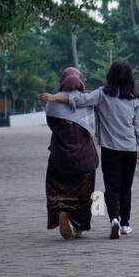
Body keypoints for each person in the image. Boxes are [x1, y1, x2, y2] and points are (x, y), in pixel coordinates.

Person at [41, 61, 139, 238]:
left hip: (110, 149)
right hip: (129, 149)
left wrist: (54, 98)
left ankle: (114, 218)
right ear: (130, 78)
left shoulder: (101, 94)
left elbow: (79, 100)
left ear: (110, 77)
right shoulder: (134, 99)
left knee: (112, 187)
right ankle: (125, 224)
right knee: (126, 187)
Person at [40, 67, 98, 239]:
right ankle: (77, 225)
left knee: (56, 184)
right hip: (84, 157)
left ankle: (62, 209)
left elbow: (52, 126)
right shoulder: (87, 104)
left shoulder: (51, 105)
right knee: (84, 193)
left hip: (60, 156)